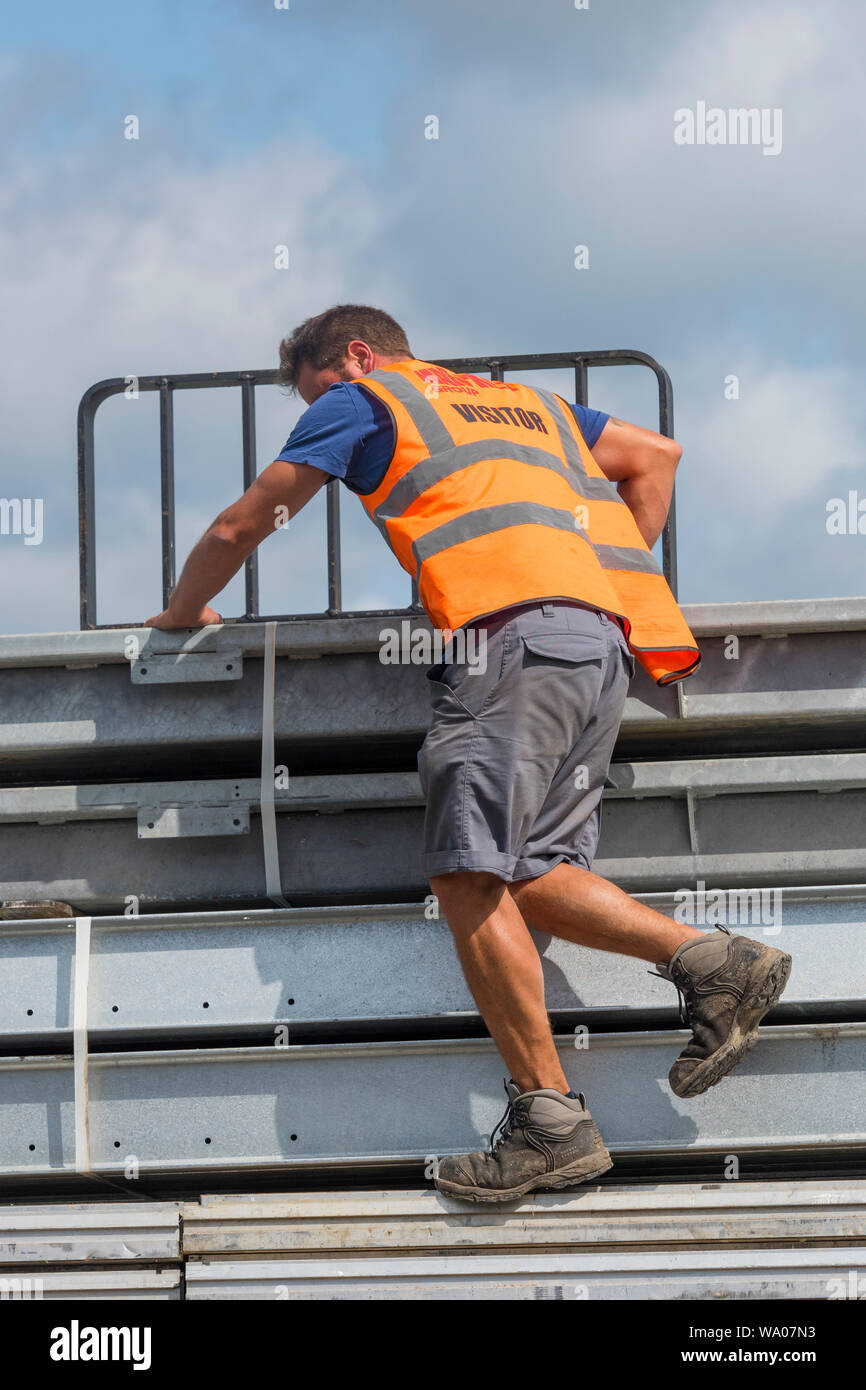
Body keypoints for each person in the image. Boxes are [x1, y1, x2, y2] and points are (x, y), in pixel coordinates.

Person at [146, 304, 792, 1203]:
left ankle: (558, 1116)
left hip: (510, 650)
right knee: (528, 870)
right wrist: (588, 584)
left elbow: (240, 526)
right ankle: (704, 974)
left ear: (358, 357)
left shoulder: (369, 398)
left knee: (466, 876)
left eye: (318, 388)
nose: (319, 407)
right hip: (597, 645)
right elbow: (656, 457)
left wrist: (181, 616)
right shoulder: (522, 405)